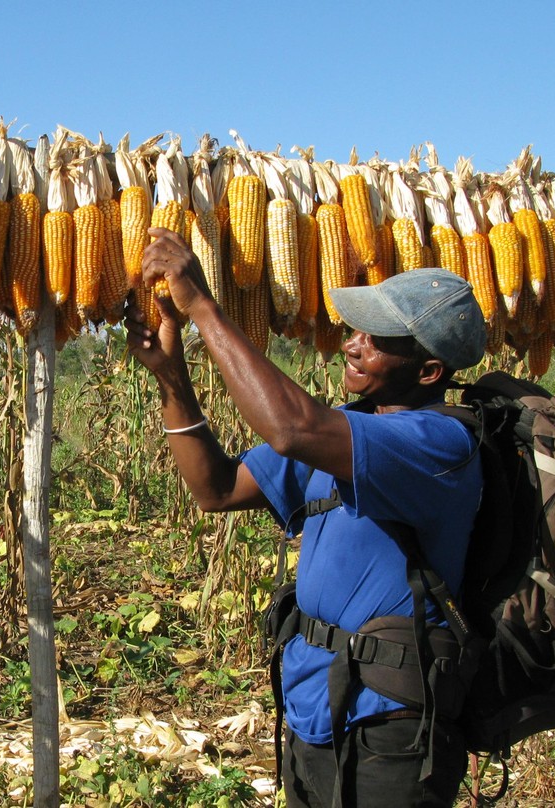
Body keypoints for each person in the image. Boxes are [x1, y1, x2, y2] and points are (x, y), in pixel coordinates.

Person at [126, 228, 488, 808]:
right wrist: (173, 377)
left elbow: (291, 429)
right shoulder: (347, 432)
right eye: (356, 329)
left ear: (428, 371)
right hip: (312, 703)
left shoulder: (436, 443)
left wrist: (202, 308)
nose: (352, 343)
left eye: (377, 339)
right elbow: (216, 489)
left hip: (391, 723)